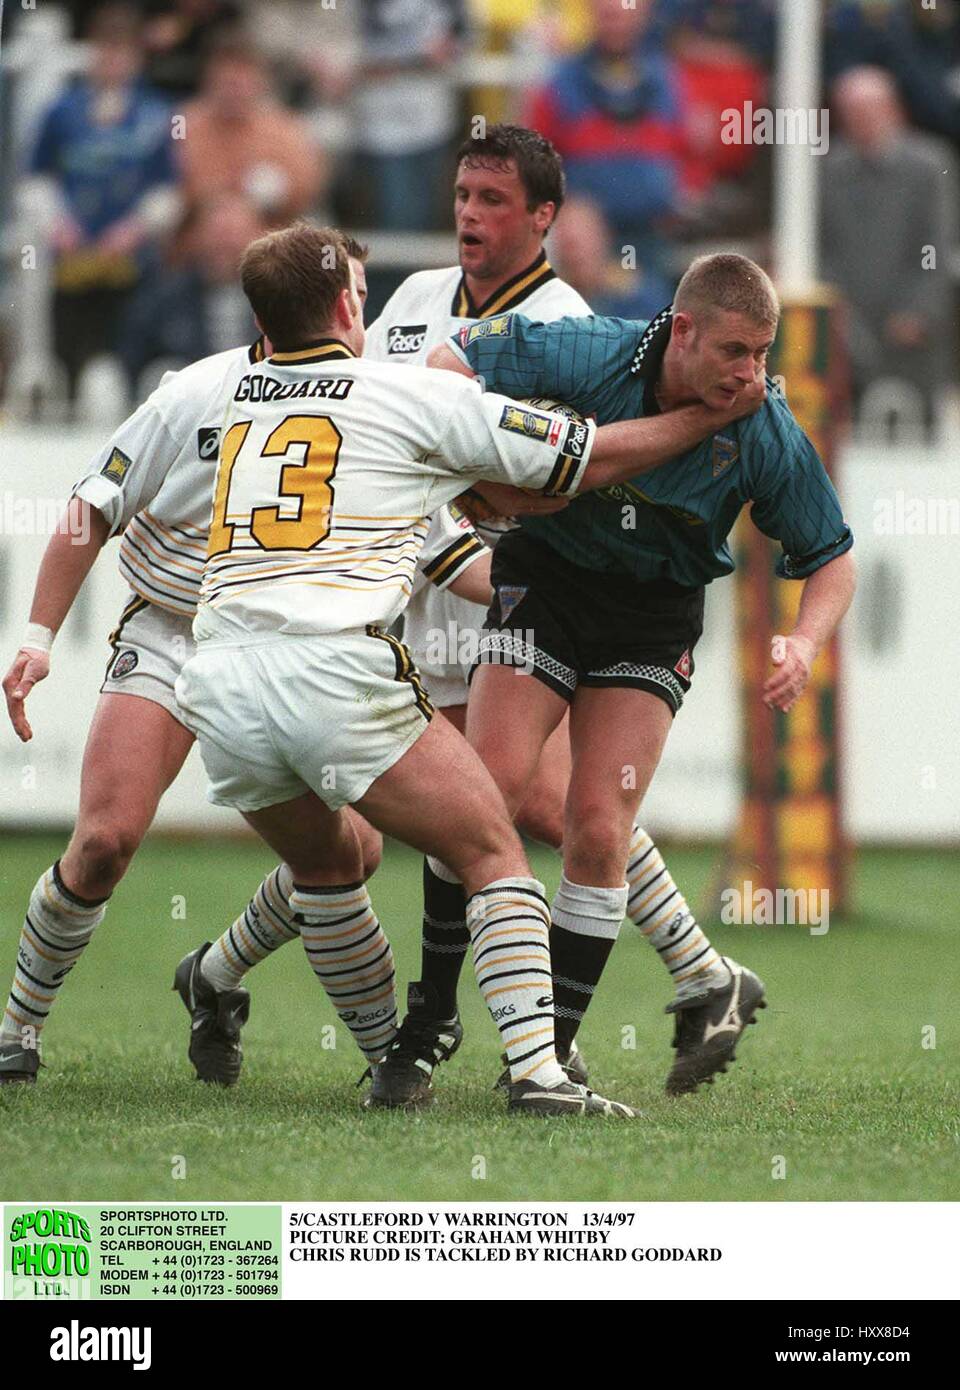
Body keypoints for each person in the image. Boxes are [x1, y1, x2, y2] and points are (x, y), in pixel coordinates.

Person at [174, 221, 766, 1116]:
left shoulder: (218, 393)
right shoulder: (402, 391)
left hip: (217, 674)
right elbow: (583, 457)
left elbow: (112, 496)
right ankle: (541, 1073)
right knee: (495, 843)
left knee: (340, 867)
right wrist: (698, 418)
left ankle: (378, 1052)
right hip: (344, 660)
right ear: (346, 305)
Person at [356, 125, 734, 1109]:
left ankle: (434, 1019)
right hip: (402, 593)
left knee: (482, 804)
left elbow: (568, 473)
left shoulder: (566, 323)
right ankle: (701, 974)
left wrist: (475, 518)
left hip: (503, 588)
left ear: (543, 218)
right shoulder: (411, 300)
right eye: (463, 195)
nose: (469, 214)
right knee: (513, 808)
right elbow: (378, 429)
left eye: (491, 200)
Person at [423, 252, 857, 1096]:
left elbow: (833, 561)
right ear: (682, 332)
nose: (752, 373)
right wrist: (478, 469)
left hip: (654, 618)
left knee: (596, 825)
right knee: (487, 792)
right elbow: (449, 363)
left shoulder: (763, 426)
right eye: (735, 351)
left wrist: (804, 644)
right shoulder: (590, 351)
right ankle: (428, 1015)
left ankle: (545, 1063)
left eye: (764, 354)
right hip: (546, 584)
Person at [0, 244, 399, 1088]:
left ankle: (217, 973)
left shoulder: (380, 407)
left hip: (296, 649)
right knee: (105, 841)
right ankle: (17, 1029)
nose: (358, 318)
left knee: (353, 852)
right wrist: (36, 640)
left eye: (364, 296)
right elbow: (90, 507)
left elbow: (433, 546)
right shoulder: (195, 392)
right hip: (177, 631)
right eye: (350, 298)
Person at [26, 2, 180, 401]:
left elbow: (169, 188)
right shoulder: (62, 111)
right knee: (68, 349)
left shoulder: (156, 114)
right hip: (72, 255)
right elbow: (38, 178)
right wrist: (55, 224)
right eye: (104, 51)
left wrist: (136, 229)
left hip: (130, 260)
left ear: (135, 58)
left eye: (121, 52)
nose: (112, 61)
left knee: (121, 351)